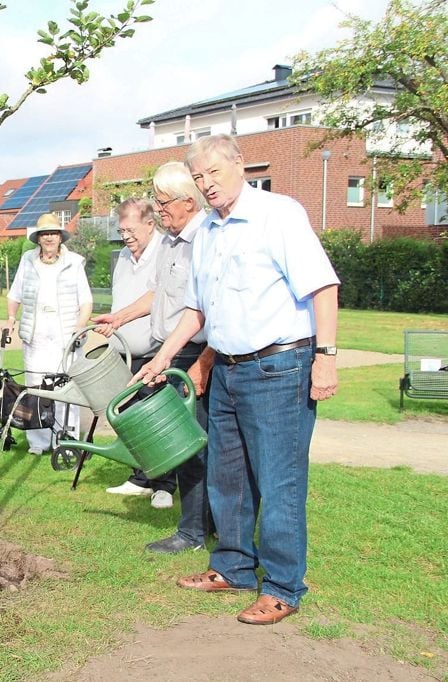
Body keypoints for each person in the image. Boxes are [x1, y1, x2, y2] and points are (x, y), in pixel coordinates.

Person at [133, 134, 339, 625]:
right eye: (199, 177)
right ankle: (233, 566)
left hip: (280, 368)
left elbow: (323, 287)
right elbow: (198, 309)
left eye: (214, 173)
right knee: (229, 480)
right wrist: (166, 358)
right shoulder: (207, 231)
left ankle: (285, 587)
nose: (207, 185)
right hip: (225, 370)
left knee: (280, 481)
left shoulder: (279, 214)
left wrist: (326, 357)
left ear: (240, 166)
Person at [95, 163, 213, 553]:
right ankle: (198, 527)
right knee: (185, 442)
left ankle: (196, 532)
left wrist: (200, 363)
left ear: (187, 202)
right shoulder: (173, 243)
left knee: (194, 445)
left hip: (192, 352)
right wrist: (120, 316)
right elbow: (159, 295)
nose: (159, 211)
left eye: (163, 203)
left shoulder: (206, 242)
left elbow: (210, 309)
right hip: (172, 350)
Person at [93, 199, 171, 508]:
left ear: (150, 224)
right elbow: (119, 298)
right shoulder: (124, 256)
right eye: (121, 229)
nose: (126, 235)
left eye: (131, 229)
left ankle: (164, 484)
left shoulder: (166, 251)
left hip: (156, 353)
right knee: (127, 416)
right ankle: (141, 477)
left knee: (155, 419)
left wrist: (121, 318)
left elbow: (157, 299)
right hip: (124, 354)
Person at [4, 213, 93, 455]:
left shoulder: (74, 262)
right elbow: (15, 294)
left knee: (66, 386)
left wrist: (80, 325)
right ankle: (39, 441)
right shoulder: (28, 260)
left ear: (60, 237)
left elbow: (86, 301)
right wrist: (11, 318)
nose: (49, 238)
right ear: (39, 238)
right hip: (36, 333)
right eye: (45, 234)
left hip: (64, 335)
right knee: (35, 386)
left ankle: (66, 438)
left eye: (53, 233)